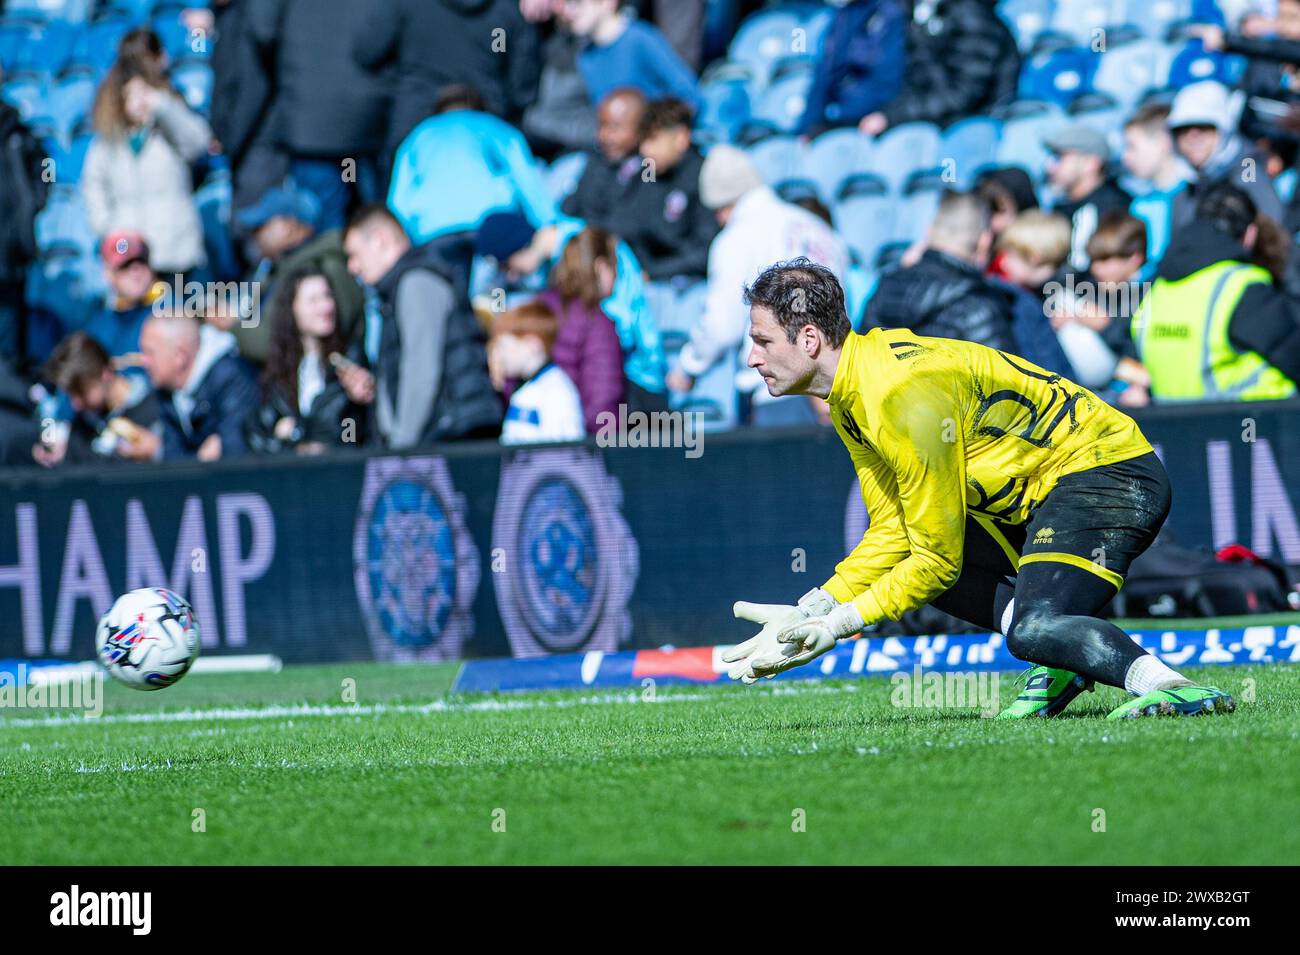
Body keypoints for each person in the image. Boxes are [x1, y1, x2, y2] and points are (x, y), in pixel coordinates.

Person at [721, 258, 1236, 720]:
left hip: (1108, 471)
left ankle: (1170, 686)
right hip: (1053, 486)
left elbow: (936, 559)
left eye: (762, 341)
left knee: (1031, 625)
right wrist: (811, 608)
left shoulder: (899, 396)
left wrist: (838, 625)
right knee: (963, 586)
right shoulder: (854, 391)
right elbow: (893, 532)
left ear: (809, 339)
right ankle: (1062, 658)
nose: (751, 357)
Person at [669, 145, 849, 426]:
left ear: (722, 207)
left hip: (777, 392)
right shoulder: (818, 228)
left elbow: (722, 325)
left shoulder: (737, 237)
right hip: (835, 387)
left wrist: (688, 367)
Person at [344, 205, 501, 449]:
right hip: (447, 435)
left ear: (380, 240)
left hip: (452, 439)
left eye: (355, 254)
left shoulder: (416, 282)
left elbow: (421, 371)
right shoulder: (400, 288)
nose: (352, 267)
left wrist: (401, 448)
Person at [476, 212, 667, 410]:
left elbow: (630, 316)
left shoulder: (587, 245)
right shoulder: (547, 265)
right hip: (604, 377)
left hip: (636, 377)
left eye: (508, 266)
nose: (512, 276)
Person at [1131, 182, 1299, 402]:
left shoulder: (1158, 286)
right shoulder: (1240, 285)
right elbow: (1293, 354)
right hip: (1256, 424)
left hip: (1173, 425)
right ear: (1250, 234)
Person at [82, 29, 213, 277]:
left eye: (143, 94)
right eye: (131, 95)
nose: (139, 102)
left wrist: (163, 106)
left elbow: (197, 143)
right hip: (132, 258)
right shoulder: (108, 142)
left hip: (176, 252)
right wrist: (108, 228)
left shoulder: (169, 126)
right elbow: (93, 186)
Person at [388, 85, 558, 244]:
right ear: (481, 108)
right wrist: (550, 225)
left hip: (431, 233)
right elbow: (527, 180)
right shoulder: (494, 126)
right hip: (490, 226)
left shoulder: (416, 137)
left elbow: (398, 204)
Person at [863, 190, 1017, 353]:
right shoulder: (981, 306)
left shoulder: (886, 286)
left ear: (929, 231)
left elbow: (859, 361)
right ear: (984, 241)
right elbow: (1007, 376)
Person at [229, 182, 365, 364]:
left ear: (289, 225)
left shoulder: (327, 267)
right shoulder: (275, 269)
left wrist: (231, 324)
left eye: (261, 226)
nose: (255, 235)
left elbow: (278, 345)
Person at [245, 268, 369, 455]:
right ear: (291, 309)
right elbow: (257, 433)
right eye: (313, 300)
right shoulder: (279, 367)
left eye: (328, 296)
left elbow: (350, 432)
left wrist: (296, 431)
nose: (326, 306)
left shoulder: (350, 358)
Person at [857, 0, 1018, 135]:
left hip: (969, 126)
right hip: (931, 118)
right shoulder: (916, 11)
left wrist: (891, 116)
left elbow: (962, 96)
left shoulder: (973, 18)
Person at [611, 96, 716, 281]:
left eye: (653, 140)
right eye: (642, 141)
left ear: (681, 138)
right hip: (640, 274)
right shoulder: (649, 169)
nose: (645, 150)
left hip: (684, 282)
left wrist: (653, 273)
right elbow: (628, 219)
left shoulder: (705, 175)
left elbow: (703, 254)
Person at [139, 311, 259, 461]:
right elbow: (170, 464)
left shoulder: (231, 380)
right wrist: (199, 460)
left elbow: (235, 456)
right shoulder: (166, 388)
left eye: (149, 352)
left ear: (179, 356)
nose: (143, 361)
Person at [1167, 80, 1286, 230]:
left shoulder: (1248, 168)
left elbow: (1271, 227)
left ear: (1224, 129)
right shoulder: (1184, 193)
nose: (1192, 137)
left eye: (1204, 127)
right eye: (1183, 130)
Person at [35, 332, 160, 466]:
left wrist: (155, 451)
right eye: (71, 395)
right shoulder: (83, 424)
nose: (76, 404)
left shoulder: (155, 411)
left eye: (81, 393)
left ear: (106, 375)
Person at [985, 211, 1078, 380]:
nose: (1003, 262)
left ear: (1035, 258)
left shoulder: (1049, 296)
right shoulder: (1015, 298)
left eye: (1011, 256)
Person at [797, 0, 906, 137]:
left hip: (873, 117)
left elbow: (887, 76)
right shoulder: (843, 15)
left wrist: (885, 115)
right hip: (838, 115)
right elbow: (824, 74)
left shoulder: (889, 13)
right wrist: (807, 127)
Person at [563, 0, 698, 109]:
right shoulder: (585, 57)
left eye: (577, 2)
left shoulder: (640, 39)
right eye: (566, 4)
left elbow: (687, 93)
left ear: (607, 2)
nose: (568, 12)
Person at [489, 301, 586, 445]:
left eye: (504, 346)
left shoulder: (556, 391)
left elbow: (563, 454)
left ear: (533, 345)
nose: (499, 355)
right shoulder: (526, 386)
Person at [0, 98, 50, 367]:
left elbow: (47, 169)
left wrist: (34, 201)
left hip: (10, 253)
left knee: (10, 344)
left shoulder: (18, 132)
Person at [1043, 123, 1132, 272]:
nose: (1050, 167)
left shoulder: (1115, 210)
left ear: (1091, 164)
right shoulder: (1059, 208)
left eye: (1060, 157)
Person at [563, 87, 646, 228]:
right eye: (601, 126)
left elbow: (632, 225)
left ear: (640, 128)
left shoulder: (649, 170)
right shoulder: (597, 158)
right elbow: (572, 206)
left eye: (614, 127)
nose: (604, 135)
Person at [1122, 104, 1190, 275]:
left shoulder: (1195, 196)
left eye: (1132, 146)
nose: (1125, 157)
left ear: (1162, 142)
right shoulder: (1139, 205)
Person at [81, 231, 165, 360]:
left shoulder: (171, 311)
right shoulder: (100, 323)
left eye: (141, 262)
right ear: (108, 274)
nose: (136, 272)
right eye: (125, 266)